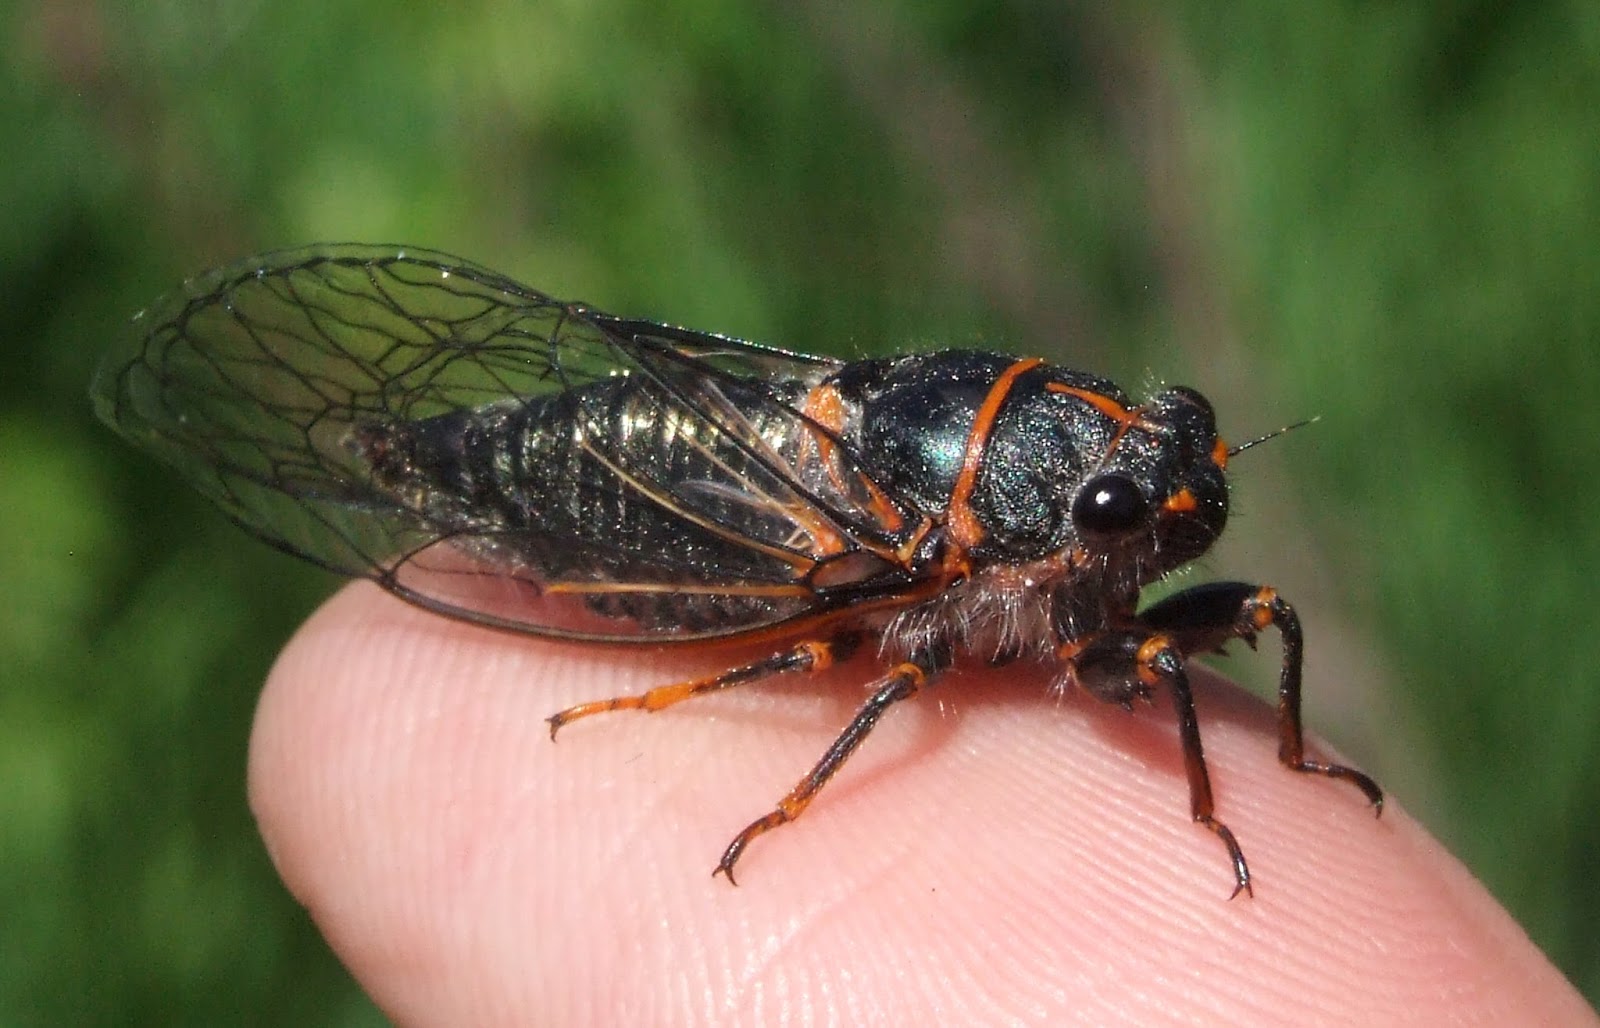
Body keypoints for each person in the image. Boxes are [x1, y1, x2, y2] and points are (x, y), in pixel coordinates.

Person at [249, 583, 1596, 1025]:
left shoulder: (1105, 588)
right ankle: (690, 719)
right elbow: (880, 666)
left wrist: (1272, 767)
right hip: (788, 526)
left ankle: (1281, 766)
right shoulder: (964, 569)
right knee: (872, 660)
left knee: (1265, 613)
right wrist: (775, 806)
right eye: (1128, 513)